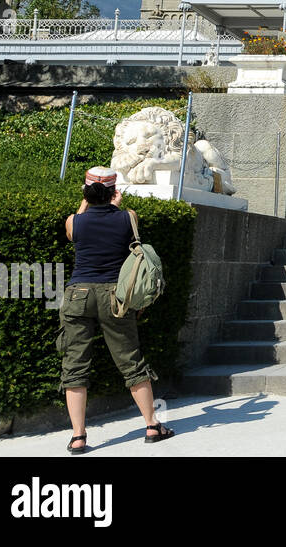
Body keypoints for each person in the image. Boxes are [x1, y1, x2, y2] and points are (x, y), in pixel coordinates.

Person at [58, 166, 174, 454]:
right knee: (131, 361)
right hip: (115, 297)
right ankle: (151, 426)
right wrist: (116, 206)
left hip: (78, 294)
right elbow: (127, 228)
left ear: (86, 192)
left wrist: (86, 201)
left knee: (74, 366)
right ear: (113, 191)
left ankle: (78, 437)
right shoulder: (128, 218)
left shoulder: (75, 221)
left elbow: (75, 229)